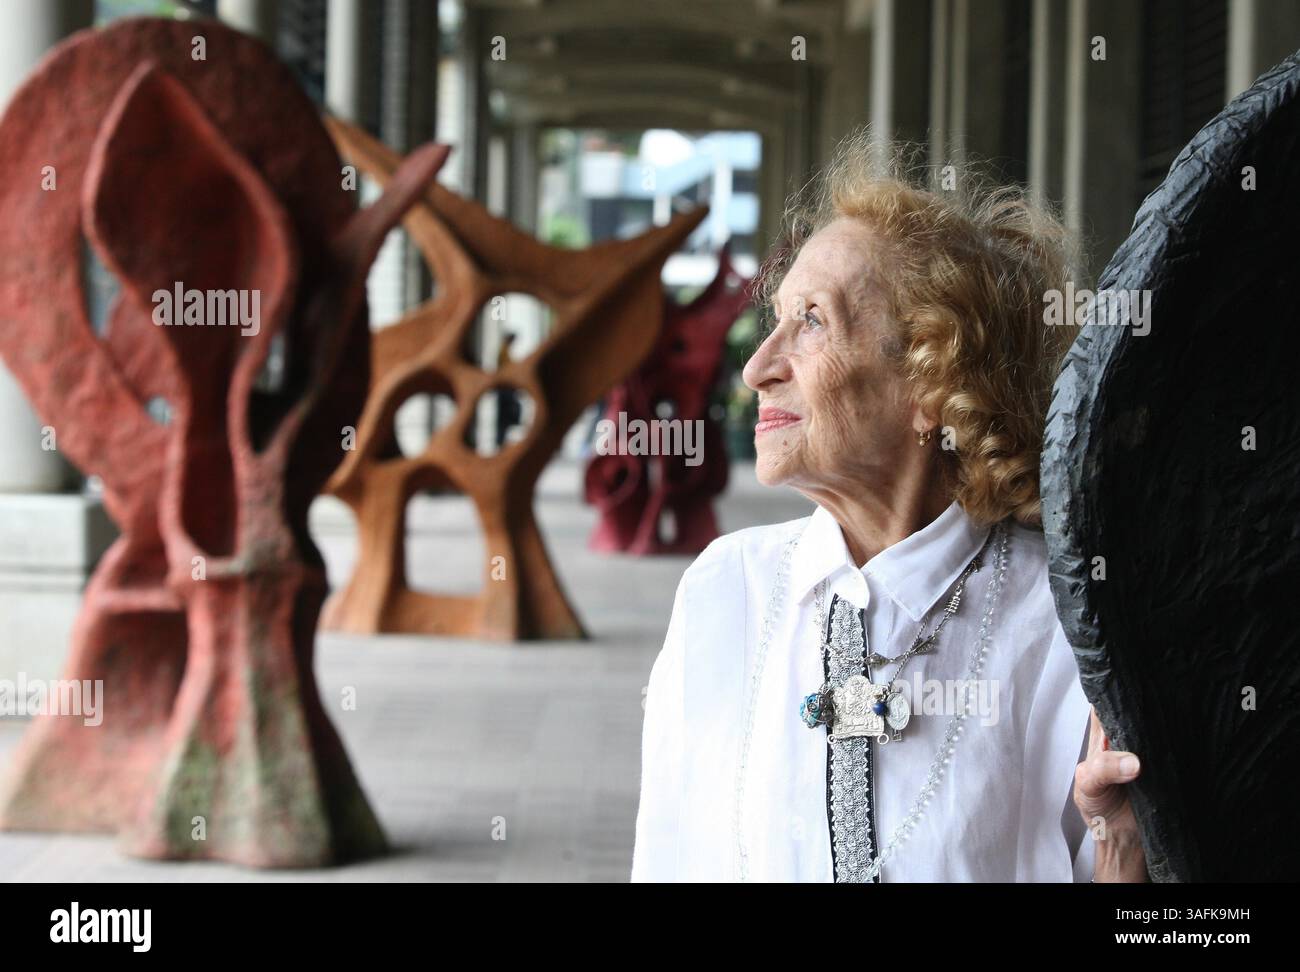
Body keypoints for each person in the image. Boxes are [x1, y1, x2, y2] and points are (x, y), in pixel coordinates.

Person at [630, 132, 1148, 882]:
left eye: (811, 321)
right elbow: (666, 864)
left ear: (933, 384)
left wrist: (1125, 846)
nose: (757, 367)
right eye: (777, 317)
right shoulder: (723, 591)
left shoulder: (1066, 620)